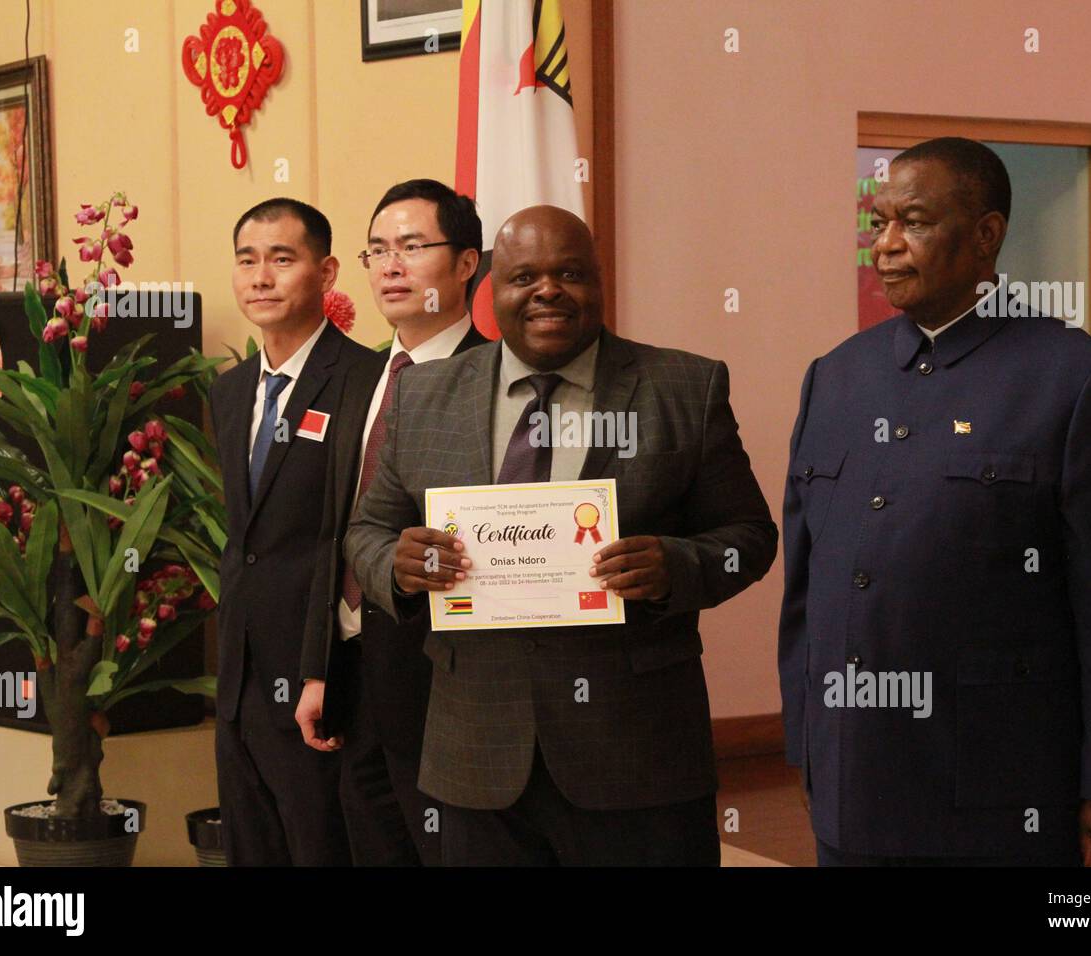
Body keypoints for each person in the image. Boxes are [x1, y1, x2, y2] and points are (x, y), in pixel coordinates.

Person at [343, 205, 777, 865]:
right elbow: (368, 528)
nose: (548, 290)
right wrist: (395, 566)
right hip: (477, 753)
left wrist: (678, 565)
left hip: (637, 755)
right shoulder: (426, 395)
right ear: (493, 291)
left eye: (570, 273)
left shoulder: (683, 387)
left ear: (600, 285)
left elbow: (749, 536)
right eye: (525, 277)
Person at [779, 137, 1091, 866]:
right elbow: (804, 590)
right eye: (878, 223)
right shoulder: (835, 377)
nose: (887, 245)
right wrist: (807, 745)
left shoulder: (1074, 380)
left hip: (998, 795)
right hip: (850, 779)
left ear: (986, 234)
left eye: (915, 222)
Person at [296, 180, 487, 865]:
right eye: (377, 250)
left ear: (467, 263)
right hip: (356, 673)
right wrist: (321, 665)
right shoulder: (360, 379)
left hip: (451, 685)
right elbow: (334, 533)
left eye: (412, 246)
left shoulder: (498, 381)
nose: (390, 266)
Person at [209, 198, 381, 865]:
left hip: (323, 679)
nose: (261, 277)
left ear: (327, 271)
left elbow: (345, 540)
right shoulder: (230, 391)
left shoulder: (366, 383)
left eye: (282, 259)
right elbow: (245, 542)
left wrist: (323, 671)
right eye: (247, 261)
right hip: (240, 680)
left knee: (323, 850)